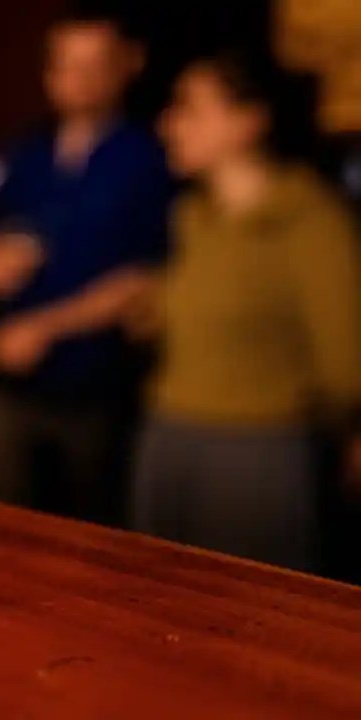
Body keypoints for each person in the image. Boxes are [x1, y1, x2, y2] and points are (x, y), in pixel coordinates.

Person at [132, 50, 361, 570]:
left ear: (249, 121)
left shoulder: (312, 222)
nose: (169, 123)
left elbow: (346, 368)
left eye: (189, 107)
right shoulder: (193, 215)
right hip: (169, 433)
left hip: (256, 450)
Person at [0, 9, 172, 523]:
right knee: (3, 529)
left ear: (129, 63)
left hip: (95, 388)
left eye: (93, 64)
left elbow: (148, 275)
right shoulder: (25, 152)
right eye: (65, 65)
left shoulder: (150, 159)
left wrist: (42, 328)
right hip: (5, 381)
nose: (77, 79)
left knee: (94, 537)